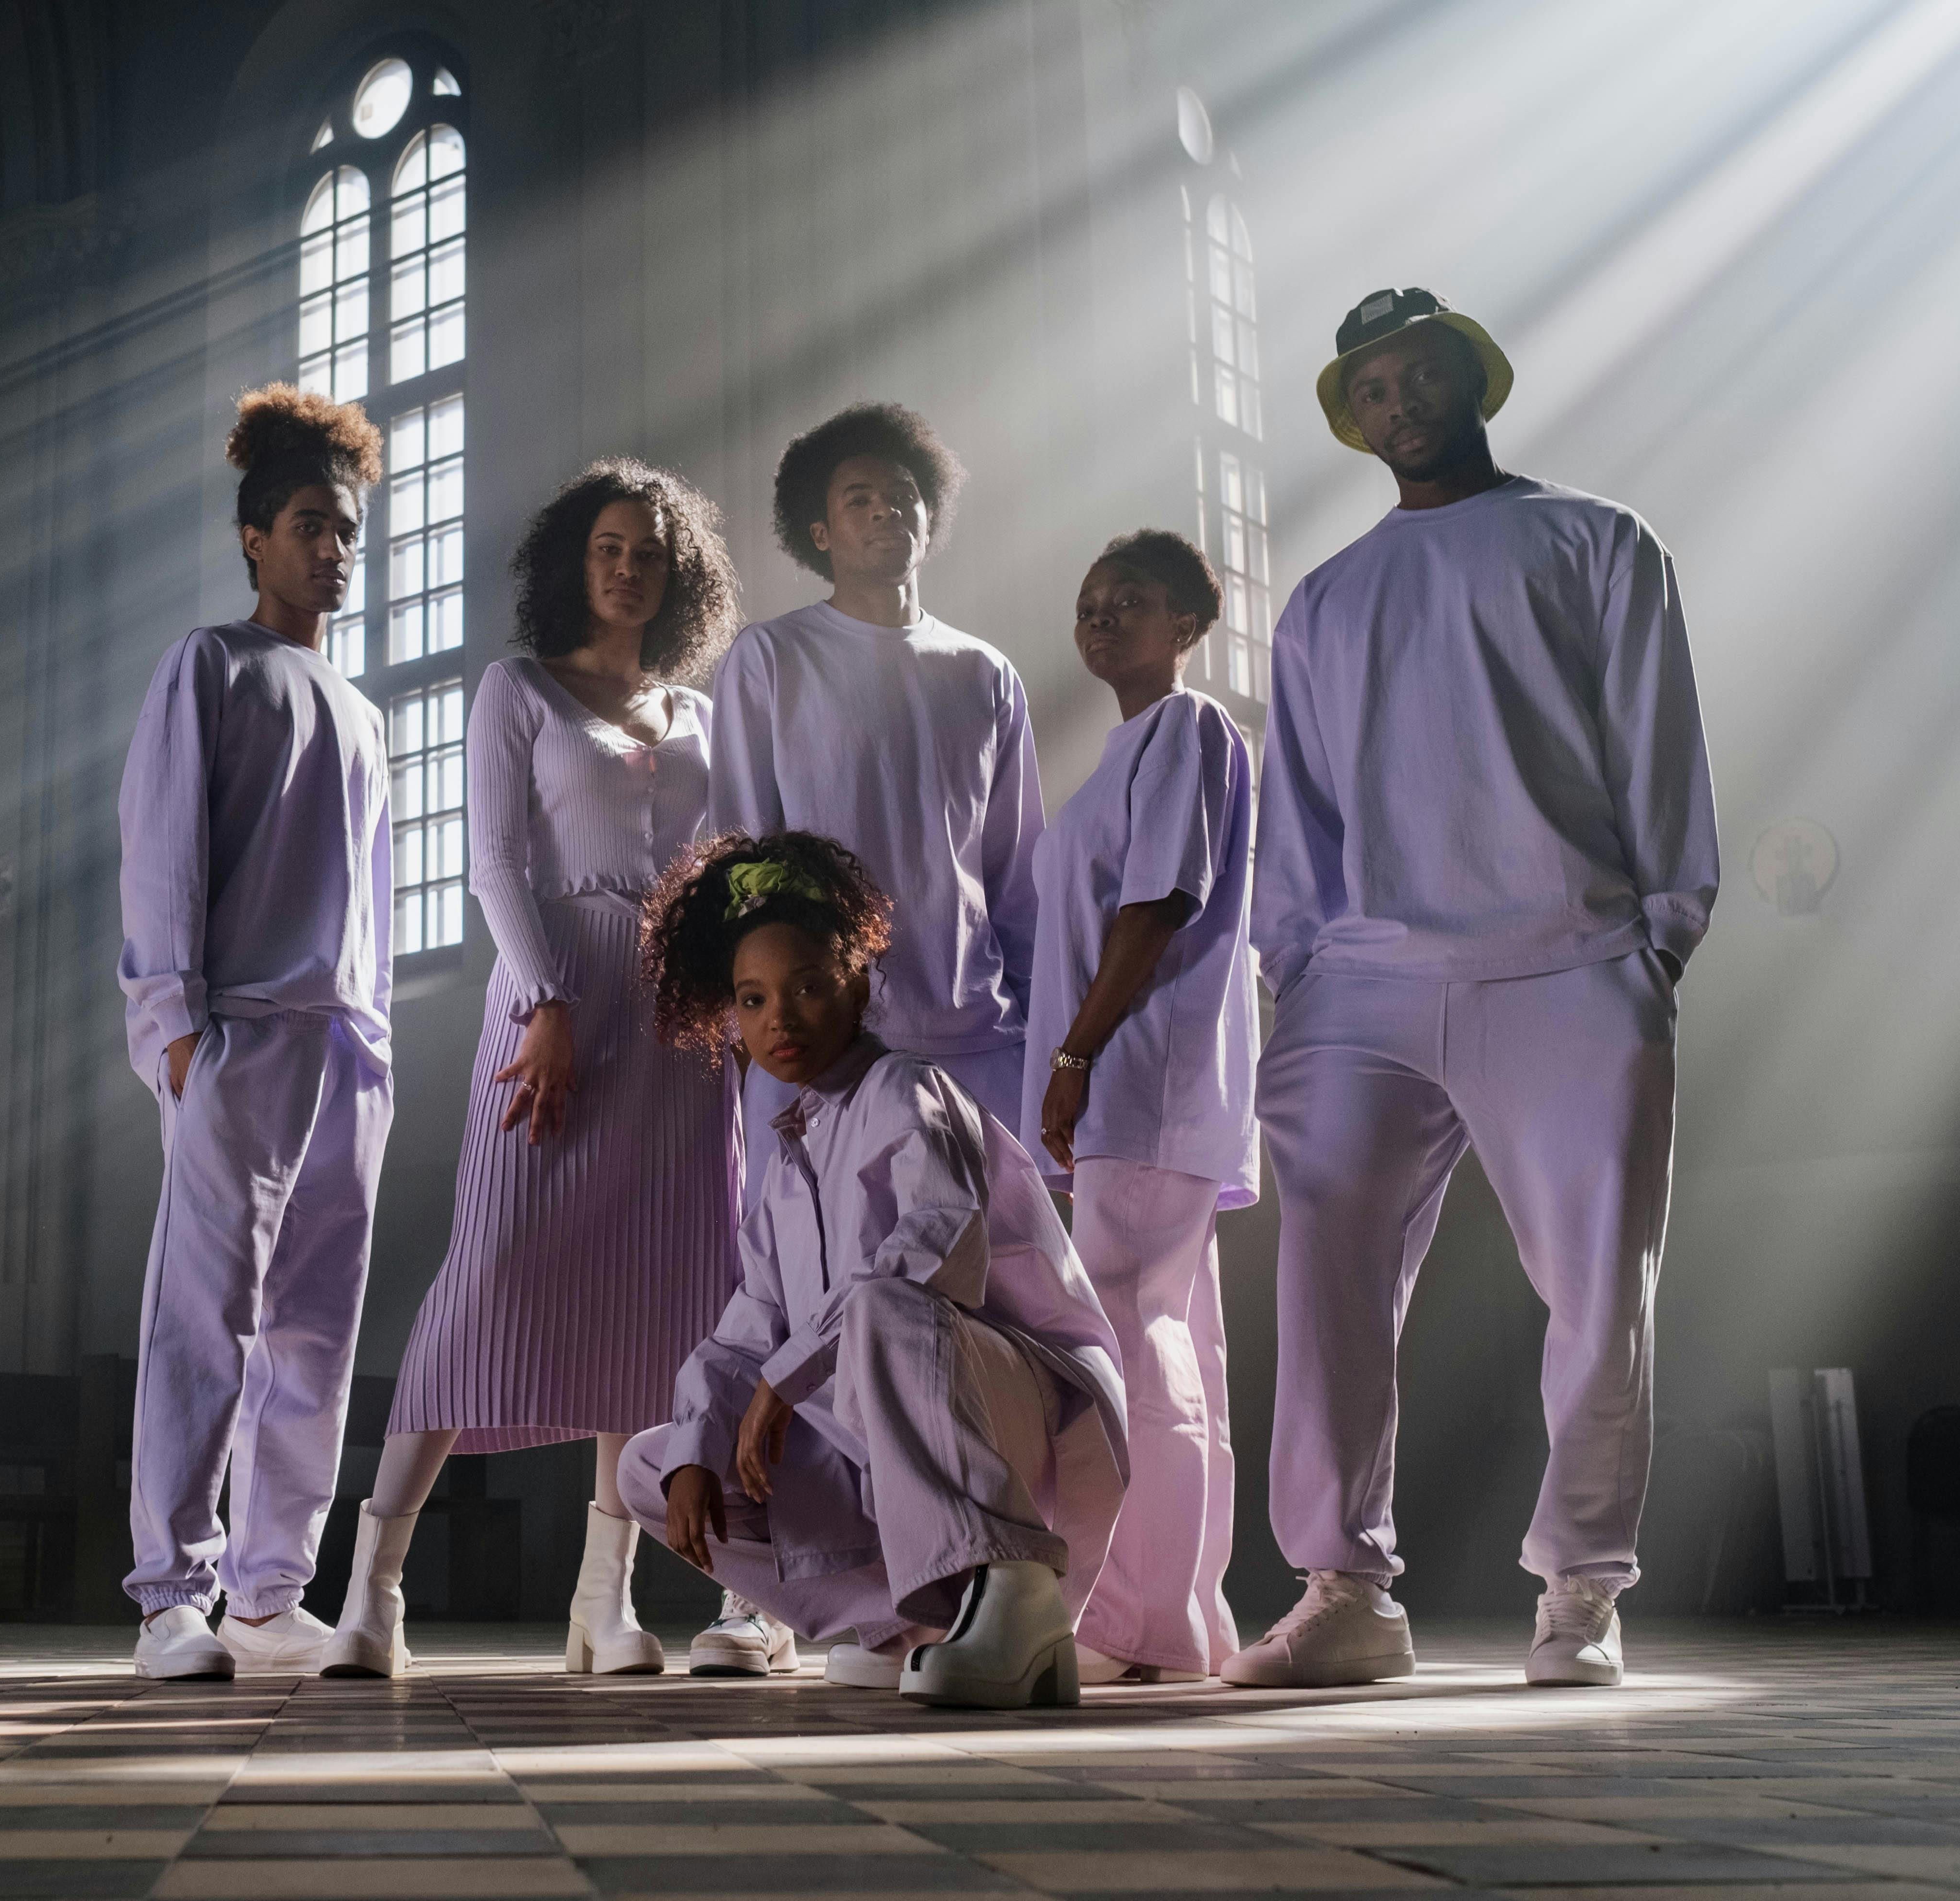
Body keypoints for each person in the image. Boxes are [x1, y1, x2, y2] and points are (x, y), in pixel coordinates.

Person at [1227, 289, 1716, 1692]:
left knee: (1593, 1285)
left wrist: (1651, 940)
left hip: (1568, 960)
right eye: (1368, 388)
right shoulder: (1324, 597)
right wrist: (1298, 965)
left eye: (1417, 370)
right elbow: (1298, 810)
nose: (1398, 399)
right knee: (1326, 1273)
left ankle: (1577, 1587)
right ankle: (1344, 1588)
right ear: (1352, 419)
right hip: (1360, 984)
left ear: (1468, 376)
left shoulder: (1596, 541)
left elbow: (1654, 747)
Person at [319, 461, 753, 1680]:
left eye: (650, 554)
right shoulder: (515, 690)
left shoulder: (703, 718)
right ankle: (372, 1592)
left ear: (678, 579)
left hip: (680, 1026)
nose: (626, 568)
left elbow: (716, 878)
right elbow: (496, 867)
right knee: (489, 1273)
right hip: (553, 997)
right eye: (608, 547)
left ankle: (603, 1601)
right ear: (574, 559)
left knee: (652, 1306)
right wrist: (551, 1001)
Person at [616, 830, 1129, 1709]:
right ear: (731, 1019)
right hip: (883, 1430)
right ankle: (905, 1620)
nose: (781, 1017)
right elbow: (747, 1329)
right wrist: (702, 1440)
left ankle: (1012, 1590)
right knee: (651, 1465)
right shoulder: (790, 1160)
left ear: (858, 980)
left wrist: (789, 1376)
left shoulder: (905, 1089)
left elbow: (938, 1247)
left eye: (810, 986)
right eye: (753, 998)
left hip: (1014, 1403)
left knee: (891, 1305)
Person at [116, 385, 394, 1680]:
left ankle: (272, 1591)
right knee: (204, 1318)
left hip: (345, 1048)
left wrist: (375, 1036)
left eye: (344, 529)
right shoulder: (210, 665)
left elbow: (372, 903)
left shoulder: (367, 710)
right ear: (251, 536)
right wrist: (172, 1023)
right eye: (305, 525)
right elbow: (165, 851)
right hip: (235, 1034)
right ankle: (172, 1588)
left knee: (315, 1332)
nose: (330, 549)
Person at [1026, 531, 1258, 1685]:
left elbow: (1158, 902)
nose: (1101, 618)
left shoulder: (1186, 727)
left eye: (1130, 602)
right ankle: (1186, 1619)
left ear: (1184, 624)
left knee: (1128, 1342)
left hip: (1139, 1077)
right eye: (1088, 605)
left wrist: (1072, 1056)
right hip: (1138, 1089)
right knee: (1179, 1350)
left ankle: (1132, 1619)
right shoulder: (1123, 753)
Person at [709, 403, 1044, 1167]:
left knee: (995, 1278)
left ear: (930, 519)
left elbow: (1015, 872)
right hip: (823, 1038)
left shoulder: (985, 672)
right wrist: (747, 1031)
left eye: (901, 494)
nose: (885, 509)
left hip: (977, 1035)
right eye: (857, 498)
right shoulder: (769, 659)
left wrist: (1040, 1031)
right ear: (819, 534)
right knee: (817, 1279)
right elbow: (739, 857)